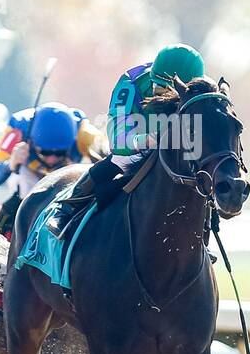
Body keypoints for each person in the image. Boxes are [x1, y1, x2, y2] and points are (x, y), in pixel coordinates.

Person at [49, 43, 205, 229]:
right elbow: (119, 141)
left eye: (167, 91)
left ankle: (207, 224)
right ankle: (69, 207)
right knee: (122, 158)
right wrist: (149, 139)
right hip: (137, 133)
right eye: (157, 86)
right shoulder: (130, 85)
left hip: (173, 137)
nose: (159, 93)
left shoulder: (201, 91)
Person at [0, 102, 99, 234]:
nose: (52, 158)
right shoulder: (19, 130)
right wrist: (9, 164)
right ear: (31, 141)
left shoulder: (84, 134)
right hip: (29, 183)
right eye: (45, 152)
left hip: (69, 180)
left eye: (59, 153)